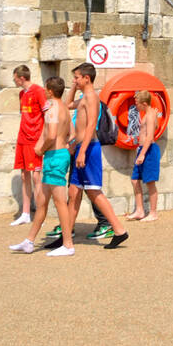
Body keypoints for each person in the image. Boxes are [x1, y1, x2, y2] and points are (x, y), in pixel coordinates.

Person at [47, 63, 128, 251]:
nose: (74, 81)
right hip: (82, 148)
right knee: (74, 193)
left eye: (76, 78)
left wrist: (82, 150)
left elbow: (92, 125)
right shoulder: (85, 97)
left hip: (89, 149)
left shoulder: (92, 98)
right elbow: (67, 105)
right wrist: (74, 88)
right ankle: (66, 235)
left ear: (87, 78)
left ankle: (119, 229)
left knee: (93, 192)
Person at [9, 76, 75, 256]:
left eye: (46, 89)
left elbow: (51, 134)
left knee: (60, 202)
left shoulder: (52, 108)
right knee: (42, 203)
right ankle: (29, 241)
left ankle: (68, 244)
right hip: (57, 156)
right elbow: (72, 133)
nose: (44, 91)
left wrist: (40, 149)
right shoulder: (63, 108)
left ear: (51, 91)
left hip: (54, 157)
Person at [11, 64, 46, 226]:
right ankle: (25, 213)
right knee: (24, 174)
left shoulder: (39, 91)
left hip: (35, 140)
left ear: (22, 78)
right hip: (22, 139)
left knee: (36, 176)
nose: (14, 80)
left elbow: (47, 115)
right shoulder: (21, 94)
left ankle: (40, 212)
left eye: (15, 78)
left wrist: (42, 140)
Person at [127, 90, 161, 221]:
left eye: (137, 103)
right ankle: (140, 210)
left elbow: (150, 136)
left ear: (144, 103)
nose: (136, 106)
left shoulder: (151, 115)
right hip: (143, 149)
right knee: (135, 180)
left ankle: (153, 213)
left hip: (148, 151)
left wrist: (142, 154)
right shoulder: (148, 113)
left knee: (150, 182)